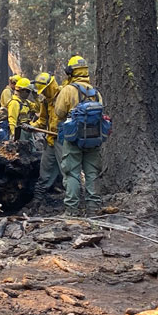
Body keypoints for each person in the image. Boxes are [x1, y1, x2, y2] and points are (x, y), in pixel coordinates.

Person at [54, 55, 104, 215]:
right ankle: (93, 207)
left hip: (73, 139)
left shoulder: (68, 90)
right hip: (94, 139)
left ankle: (72, 209)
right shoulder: (96, 92)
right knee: (92, 173)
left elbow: (59, 112)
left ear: (70, 71)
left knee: (72, 173)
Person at [28, 72, 63, 204]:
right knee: (45, 170)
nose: (43, 94)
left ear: (50, 86)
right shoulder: (45, 102)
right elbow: (42, 120)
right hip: (50, 140)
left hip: (63, 140)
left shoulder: (64, 95)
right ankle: (38, 200)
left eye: (44, 91)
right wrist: (31, 126)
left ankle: (75, 202)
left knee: (68, 172)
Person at [7, 77, 38, 142]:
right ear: (21, 90)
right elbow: (12, 120)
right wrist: (14, 135)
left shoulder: (26, 102)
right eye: (28, 91)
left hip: (27, 130)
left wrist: (36, 97)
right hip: (20, 133)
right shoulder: (14, 103)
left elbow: (38, 109)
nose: (29, 93)